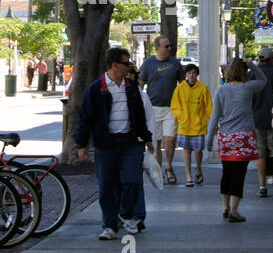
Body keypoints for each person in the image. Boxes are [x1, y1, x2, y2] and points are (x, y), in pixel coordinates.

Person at [75, 47, 155, 240]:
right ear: (114, 65)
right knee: (106, 186)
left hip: (130, 142)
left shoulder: (131, 88)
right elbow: (85, 118)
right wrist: (82, 145)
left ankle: (125, 213)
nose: (129, 67)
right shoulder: (96, 89)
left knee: (132, 181)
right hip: (106, 143)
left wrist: (147, 138)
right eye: (126, 63)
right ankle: (109, 225)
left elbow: (140, 116)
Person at [206, 58, 267, 222]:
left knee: (226, 173)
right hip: (244, 137)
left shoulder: (221, 91)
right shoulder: (248, 88)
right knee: (238, 175)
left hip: (225, 137)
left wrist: (209, 138)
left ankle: (225, 207)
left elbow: (215, 117)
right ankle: (234, 210)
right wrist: (252, 66)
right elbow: (263, 80)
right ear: (243, 72)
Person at [141, 36, 185, 184]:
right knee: (157, 142)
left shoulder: (175, 64)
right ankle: (159, 171)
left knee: (170, 139)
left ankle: (169, 167)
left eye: (170, 46)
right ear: (157, 48)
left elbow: (182, 84)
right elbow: (141, 83)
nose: (169, 48)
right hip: (153, 108)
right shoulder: (148, 63)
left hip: (170, 108)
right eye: (166, 46)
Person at [170, 63, 212, 188]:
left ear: (197, 74)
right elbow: (174, 106)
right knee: (187, 151)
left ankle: (198, 169)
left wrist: (214, 121)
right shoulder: (180, 88)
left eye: (193, 73)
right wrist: (181, 116)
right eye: (189, 73)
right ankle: (188, 176)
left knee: (198, 151)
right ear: (186, 75)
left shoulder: (203, 88)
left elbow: (209, 106)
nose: (191, 75)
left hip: (198, 125)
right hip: (184, 125)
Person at [253, 45, 273, 198]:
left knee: (260, 151)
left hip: (257, 116)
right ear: (271, 59)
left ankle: (262, 186)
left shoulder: (253, 74)